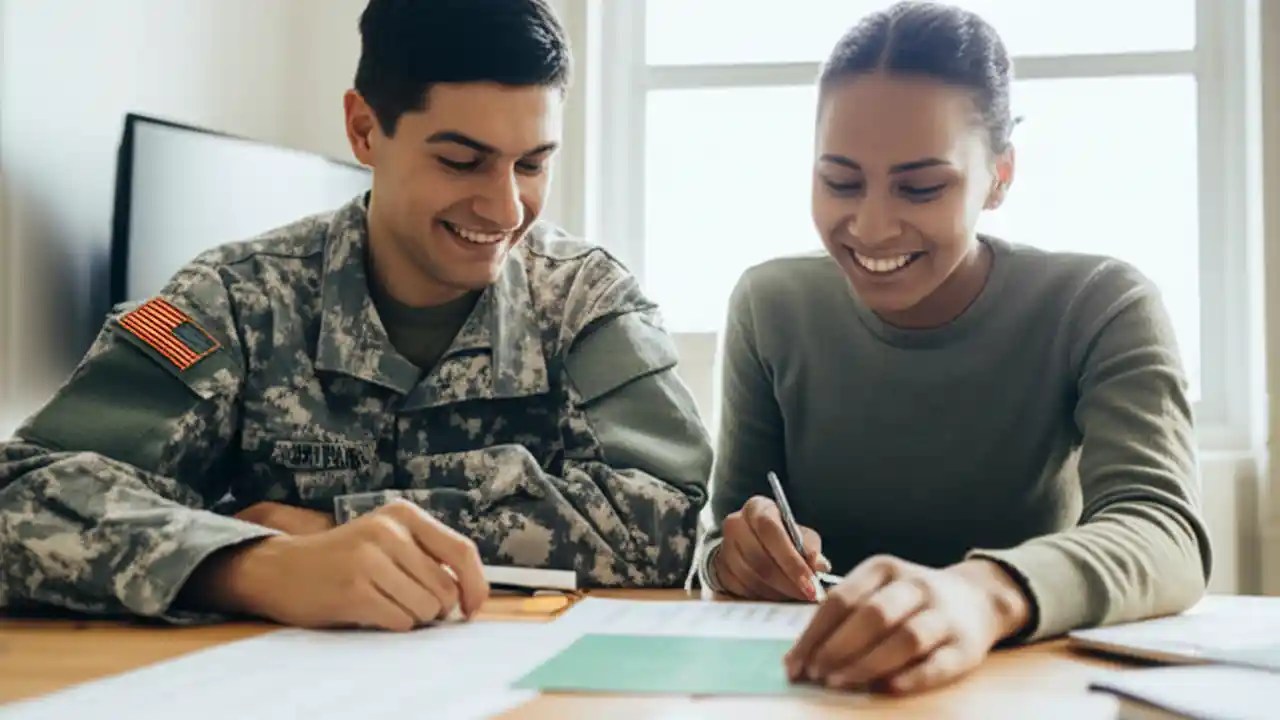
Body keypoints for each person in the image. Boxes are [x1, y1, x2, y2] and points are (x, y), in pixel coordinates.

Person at [0, 0, 711, 631]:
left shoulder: (585, 300)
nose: (505, 209)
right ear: (365, 130)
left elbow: (665, 519)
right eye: (462, 161)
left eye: (531, 165)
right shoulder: (237, 301)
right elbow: (23, 495)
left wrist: (336, 527)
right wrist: (257, 567)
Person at [696, 0, 1211, 695]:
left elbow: (1164, 533)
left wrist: (980, 595)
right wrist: (737, 557)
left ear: (999, 177)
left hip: (1024, 689)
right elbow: (723, 542)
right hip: (821, 690)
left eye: (922, 186)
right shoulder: (770, 305)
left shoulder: (1101, 303)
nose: (872, 226)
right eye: (839, 181)